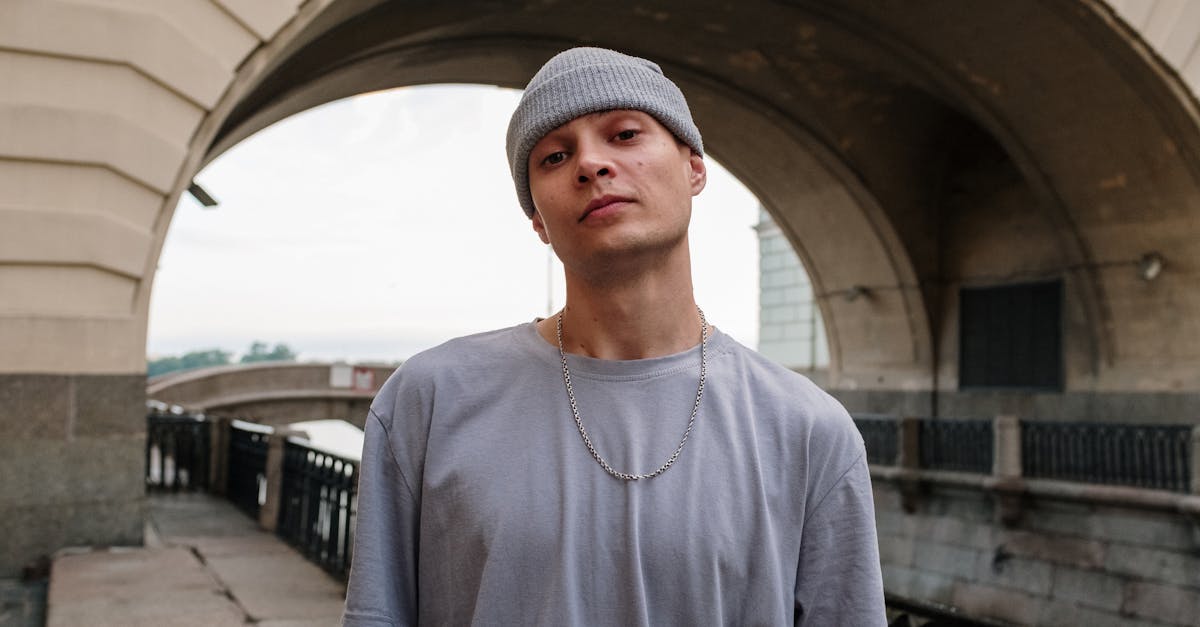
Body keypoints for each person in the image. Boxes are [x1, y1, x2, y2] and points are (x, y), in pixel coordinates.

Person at [342, 47, 886, 626]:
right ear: (538, 222)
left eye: (625, 135)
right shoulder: (428, 401)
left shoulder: (807, 430)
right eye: (555, 156)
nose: (591, 165)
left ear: (694, 168)